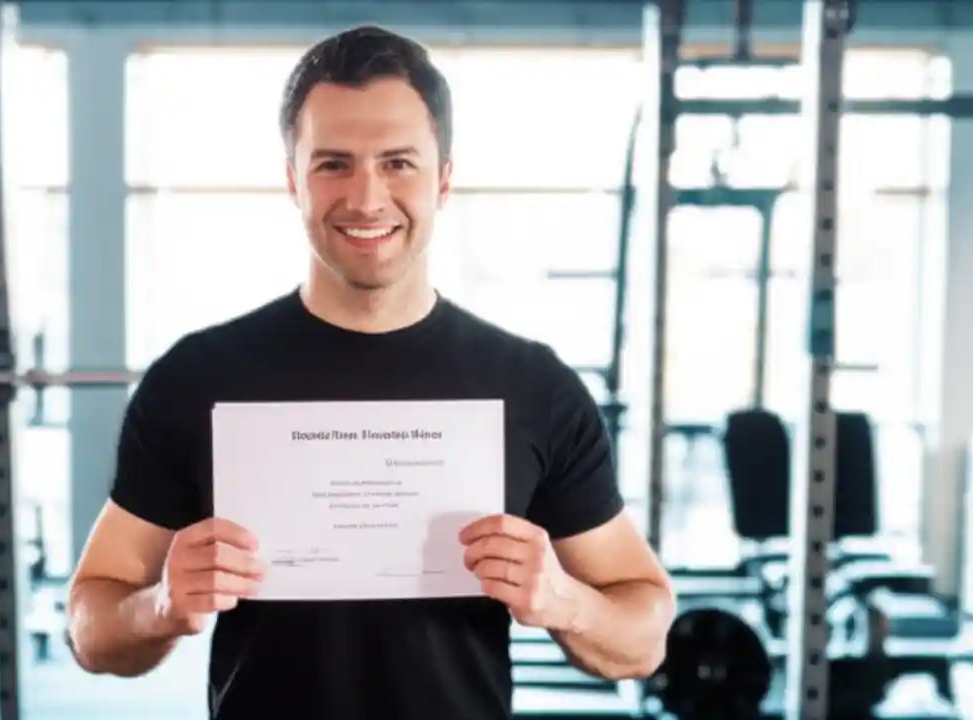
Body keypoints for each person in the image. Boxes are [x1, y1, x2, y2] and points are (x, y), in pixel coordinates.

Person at [66, 24, 675, 720]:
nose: (365, 198)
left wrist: (564, 601)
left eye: (397, 163)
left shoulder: (533, 386)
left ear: (443, 179)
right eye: (333, 164)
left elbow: (644, 636)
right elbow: (90, 626)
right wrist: (159, 606)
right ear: (292, 180)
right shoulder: (198, 378)